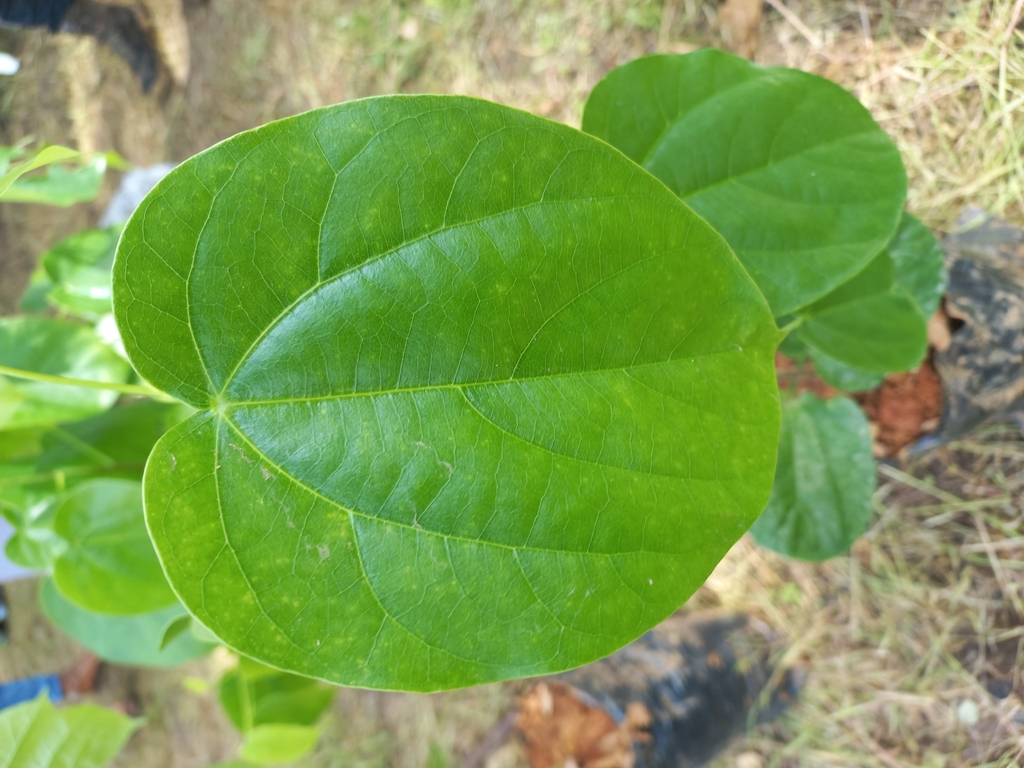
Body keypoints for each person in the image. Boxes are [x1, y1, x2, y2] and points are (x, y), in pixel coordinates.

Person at [0, 0, 161, 91]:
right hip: (50, 15)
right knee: (97, 23)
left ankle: (147, 66)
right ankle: (130, 17)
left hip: (54, 8)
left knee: (102, 27)